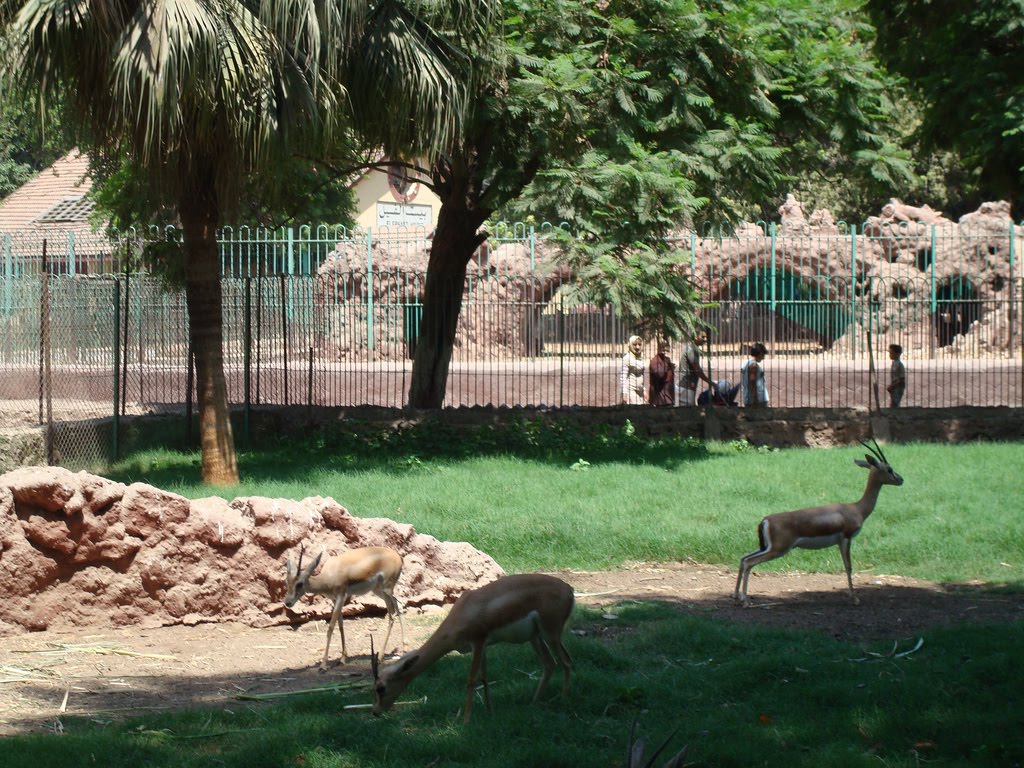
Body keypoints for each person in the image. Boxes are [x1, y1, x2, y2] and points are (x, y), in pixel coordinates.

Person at [676, 330, 714, 407]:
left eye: (706, 337)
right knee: (687, 410)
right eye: (702, 337)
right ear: (696, 337)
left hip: (688, 385)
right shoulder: (691, 350)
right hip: (686, 386)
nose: (705, 339)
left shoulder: (693, 348)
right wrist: (710, 382)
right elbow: (697, 370)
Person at [740, 342, 769, 408]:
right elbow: (752, 380)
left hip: (747, 397)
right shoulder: (753, 365)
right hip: (759, 399)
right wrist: (755, 399)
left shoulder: (745, 363)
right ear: (760, 353)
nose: (763, 358)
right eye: (763, 355)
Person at [648, 339, 676, 406]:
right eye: (662, 346)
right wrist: (667, 363)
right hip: (660, 400)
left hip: (667, 397)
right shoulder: (655, 360)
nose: (665, 349)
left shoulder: (665, 359)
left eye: (666, 346)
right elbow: (660, 374)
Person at [620, 335, 646, 405]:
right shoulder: (627, 358)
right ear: (630, 345)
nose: (637, 347)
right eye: (634, 344)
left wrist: (644, 389)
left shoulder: (641, 357)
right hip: (630, 390)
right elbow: (623, 377)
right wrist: (624, 393)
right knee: (634, 409)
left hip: (640, 391)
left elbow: (642, 375)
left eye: (639, 344)